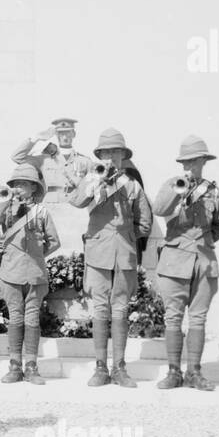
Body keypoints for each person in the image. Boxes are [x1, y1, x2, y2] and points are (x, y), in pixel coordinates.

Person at [68, 127, 153, 387]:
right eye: (106, 152)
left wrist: (125, 236)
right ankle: (100, 368)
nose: (111, 157)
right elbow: (77, 200)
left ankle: (119, 368)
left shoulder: (131, 184)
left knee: (121, 308)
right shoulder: (91, 179)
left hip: (124, 254)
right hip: (98, 253)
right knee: (100, 308)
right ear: (99, 155)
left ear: (122, 156)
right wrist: (96, 180)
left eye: (116, 152)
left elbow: (145, 223)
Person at [151, 136, 219, 391]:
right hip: (174, 261)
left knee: (198, 319)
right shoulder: (172, 185)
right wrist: (177, 189)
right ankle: (173, 372)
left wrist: (200, 241)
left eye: (195, 161)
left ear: (204, 161)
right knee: (172, 317)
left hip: (203, 260)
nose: (190, 166)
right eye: (186, 161)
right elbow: (159, 209)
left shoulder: (213, 190)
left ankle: (194, 371)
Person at [0, 163, 59, 384]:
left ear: (34, 188)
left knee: (32, 318)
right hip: (11, 273)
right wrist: (5, 202)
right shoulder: (6, 210)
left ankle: (32, 366)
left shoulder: (41, 212)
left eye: (23, 185)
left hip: (34, 273)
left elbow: (54, 242)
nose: (17, 189)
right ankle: (15, 366)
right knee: (15, 317)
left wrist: (36, 254)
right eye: (15, 184)